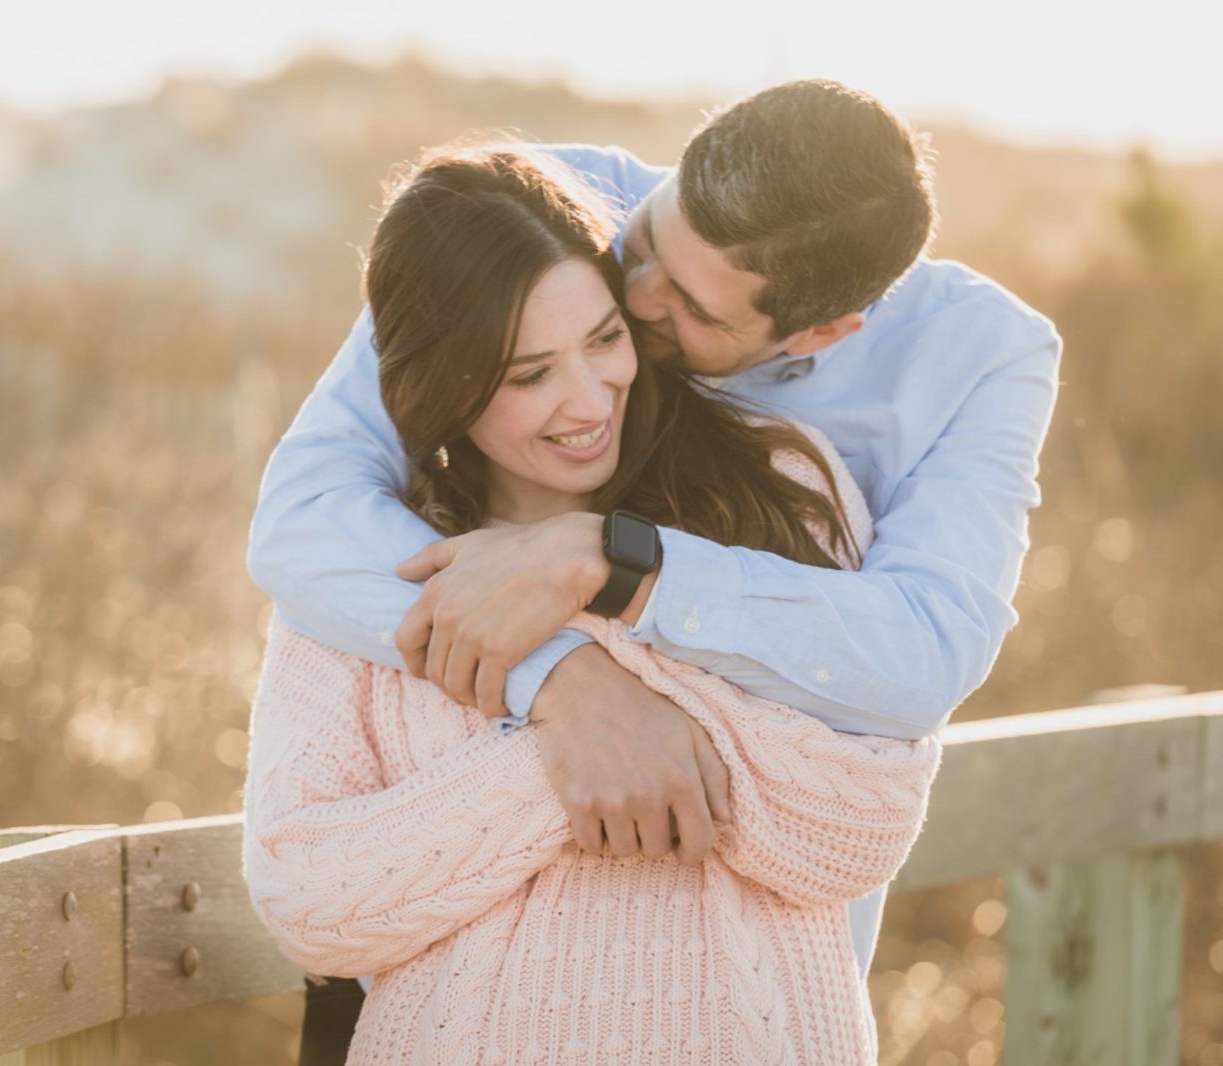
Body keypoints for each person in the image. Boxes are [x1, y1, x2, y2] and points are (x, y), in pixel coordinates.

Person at [246, 84, 1061, 1050]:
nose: (634, 301)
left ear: (820, 336)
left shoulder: (957, 372)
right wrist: (563, 691)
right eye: (644, 246)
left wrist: (619, 566)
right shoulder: (541, 213)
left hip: (756, 1007)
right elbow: (307, 513)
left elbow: (915, 676)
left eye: (679, 313)